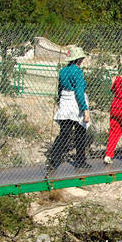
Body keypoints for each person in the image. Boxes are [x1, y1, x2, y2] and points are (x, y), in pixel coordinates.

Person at [46, 45, 91, 176]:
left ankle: (54, 159)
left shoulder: (63, 71)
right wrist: (85, 109)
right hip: (75, 103)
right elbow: (79, 91)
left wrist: (60, 100)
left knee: (64, 133)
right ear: (79, 59)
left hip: (65, 102)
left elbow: (59, 89)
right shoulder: (77, 72)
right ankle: (80, 160)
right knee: (80, 132)